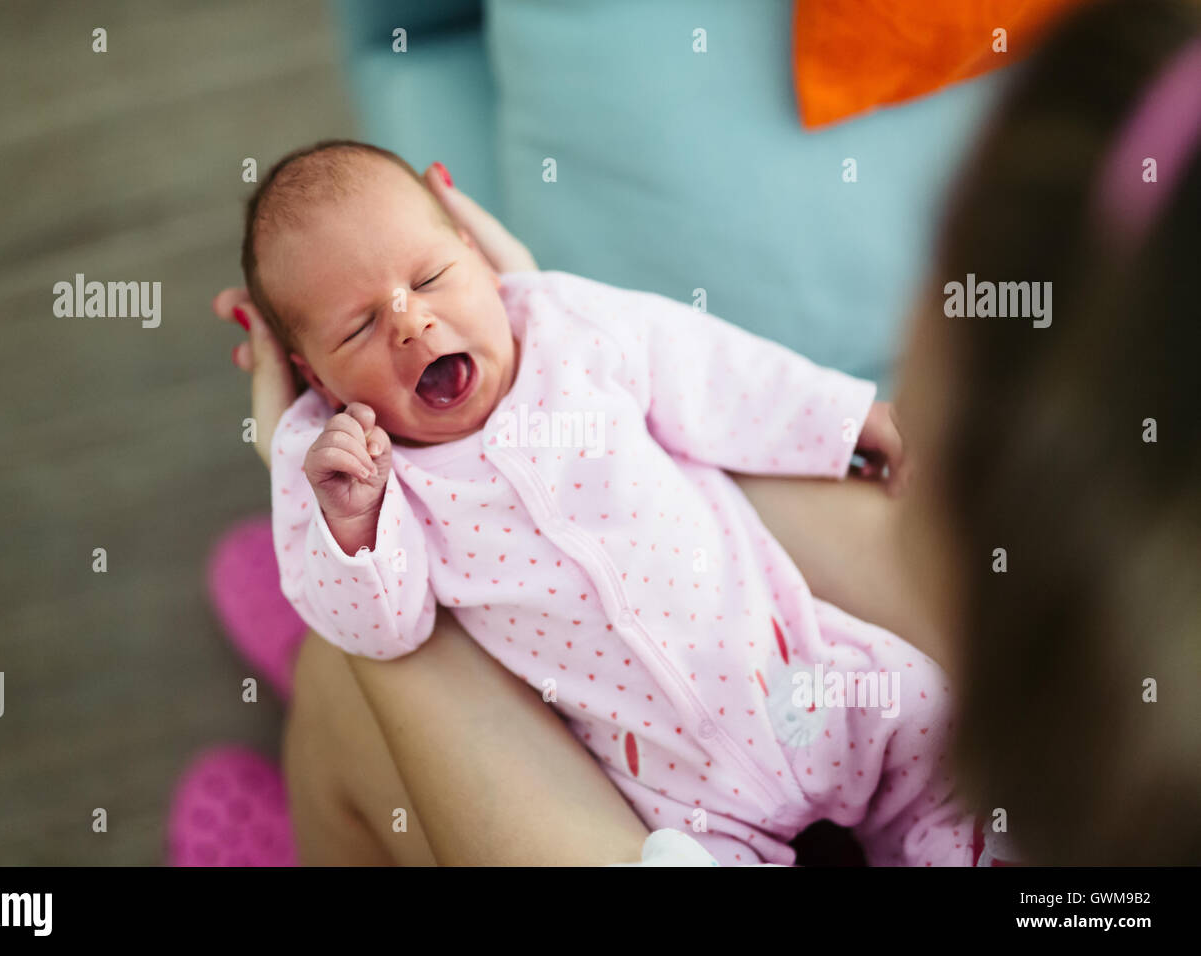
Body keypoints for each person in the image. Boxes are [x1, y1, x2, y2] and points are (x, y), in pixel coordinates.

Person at [211, 0, 1201, 865]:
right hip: (672, 783)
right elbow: (383, 618)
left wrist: (835, 415)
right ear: (315, 376)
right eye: (355, 328)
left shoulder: (569, 328)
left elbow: (715, 374)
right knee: (347, 665)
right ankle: (327, 741)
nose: (411, 320)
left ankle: (327, 783)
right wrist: (341, 517)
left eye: (431, 278)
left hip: (804, 679)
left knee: (924, 739)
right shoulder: (383, 479)